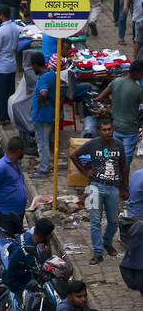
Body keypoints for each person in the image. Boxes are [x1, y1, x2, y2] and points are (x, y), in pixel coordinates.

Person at [70, 117, 129, 263]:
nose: (107, 132)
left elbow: (123, 167)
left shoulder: (119, 145)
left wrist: (124, 188)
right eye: (104, 130)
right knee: (95, 222)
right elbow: (74, 155)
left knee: (113, 221)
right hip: (95, 187)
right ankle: (98, 252)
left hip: (113, 188)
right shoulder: (92, 144)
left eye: (109, 129)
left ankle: (107, 242)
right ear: (99, 131)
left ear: (113, 130)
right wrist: (86, 171)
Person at [95, 58, 143, 166]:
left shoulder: (116, 81)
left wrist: (112, 105)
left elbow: (101, 97)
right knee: (126, 160)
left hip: (116, 126)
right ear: (137, 72)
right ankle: (123, 176)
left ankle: (115, 175)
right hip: (130, 128)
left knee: (115, 156)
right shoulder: (138, 90)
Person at [0, 137, 28, 235]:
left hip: (18, 213)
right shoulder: (1, 166)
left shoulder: (17, 163)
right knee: (5, 240)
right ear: (19, 151)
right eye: (23, 151)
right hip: (5, 215)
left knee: (17, 239)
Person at [29, 53, 57, 177]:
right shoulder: (51, 74)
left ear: (35, 65)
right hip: (49, 113)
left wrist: (41, 101)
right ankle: (46, 164)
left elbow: (44, 93)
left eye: (32, 66)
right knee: (45, 141)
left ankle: (43, 168)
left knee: (42, 142)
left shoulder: (44, 79)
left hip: (41, 115)